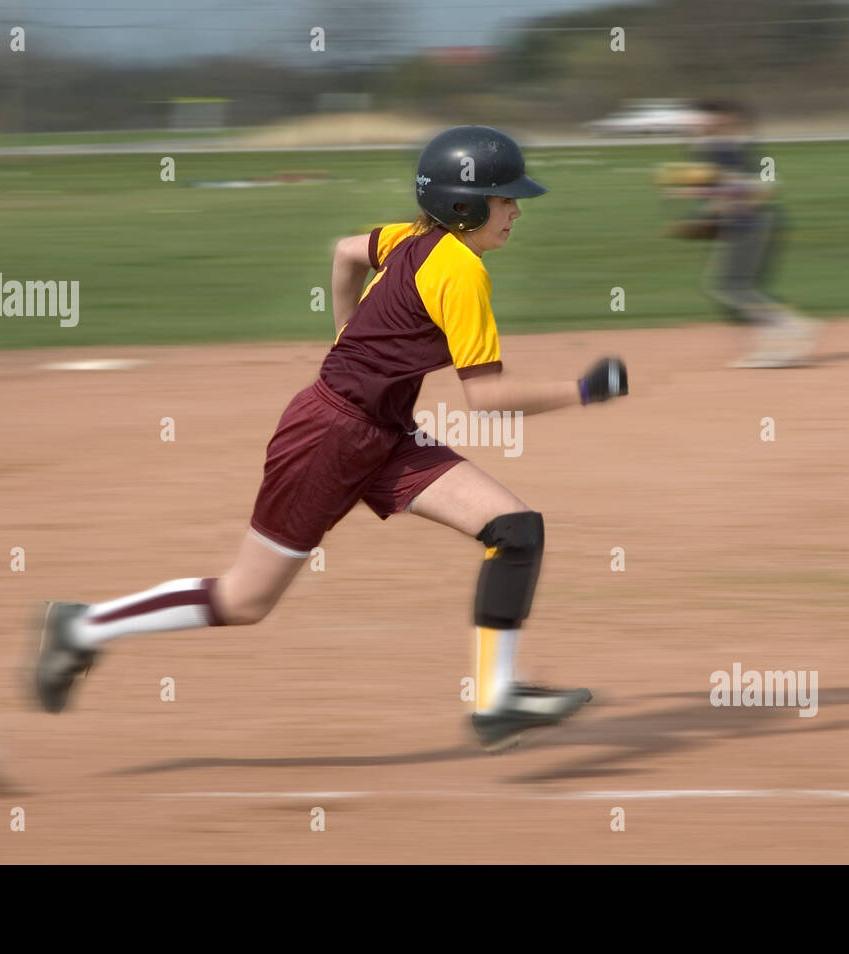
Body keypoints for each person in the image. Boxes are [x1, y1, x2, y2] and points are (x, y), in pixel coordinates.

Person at [33, 125, 630, 752]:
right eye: (505, 199)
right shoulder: (462, 272)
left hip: (384, 434)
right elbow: (487, 401)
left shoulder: (411, 236)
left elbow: (346, 252)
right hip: (329, 437)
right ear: (465, 206)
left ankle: (497, 697)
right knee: (244, 599)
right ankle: (84, 626)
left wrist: (346, 336)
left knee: (515, 529)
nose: (515, 211)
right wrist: (584, 390)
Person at [667, 100, 818, 368]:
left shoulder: (727, 148)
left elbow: (762, 189)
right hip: (745, 222)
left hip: (752, 222)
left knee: (731, 286)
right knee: (735, 287)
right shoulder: (716, 147)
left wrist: (704, 197)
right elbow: (729, 189)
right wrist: (705, 215)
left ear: (723, 119)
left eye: (701, 118)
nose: (692, 124)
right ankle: (777, 344)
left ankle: (792, 329)